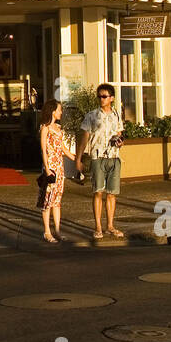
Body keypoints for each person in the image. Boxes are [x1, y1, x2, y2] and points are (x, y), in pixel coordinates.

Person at [74, 84, 125, 240]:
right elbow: (85, 138)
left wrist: (120, 141)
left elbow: (120, 134)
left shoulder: (116, 115)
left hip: (114, 157)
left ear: (111, 98)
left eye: (104, 96)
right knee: (98, 192)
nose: (101, 99)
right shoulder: (92, 115)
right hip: (97, 157)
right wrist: (79, 158)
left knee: (112, 193)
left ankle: (110, 225)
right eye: (100, 96)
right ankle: (98, 226)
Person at [36, 100, 67, 243]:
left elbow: (62, 148)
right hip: (51, 167)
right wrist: (47, 168)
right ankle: (47, 232)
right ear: (53, 111)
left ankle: (58, 230)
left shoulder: (58, 128)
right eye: (59, 110)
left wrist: (76, 158)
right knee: (47, 199)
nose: (61, 112)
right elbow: (43, 149)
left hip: (60, 167)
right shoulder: (45, 128)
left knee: (57, 200)